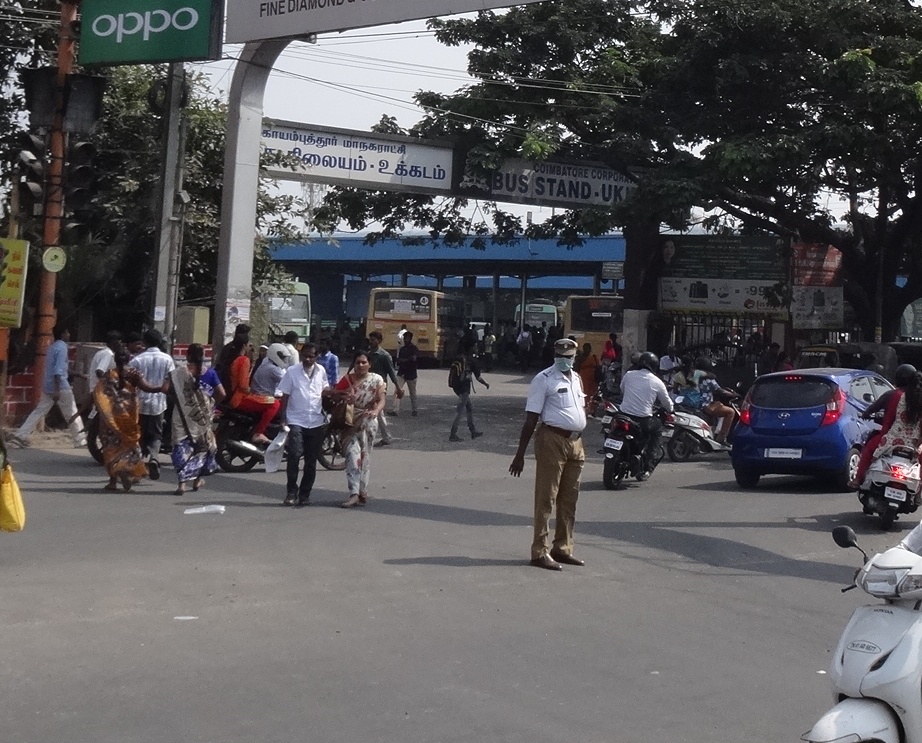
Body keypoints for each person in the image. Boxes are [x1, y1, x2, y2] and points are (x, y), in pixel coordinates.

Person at [509, 337, 587, 571]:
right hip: (551, 439)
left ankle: (562, 547)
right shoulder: (543, 380)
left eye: (568, 357)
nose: (564, 360)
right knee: (546, 498)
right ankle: (539, 551)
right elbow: (531, 418)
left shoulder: (576, 378)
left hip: (575, 441)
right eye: (560, 357)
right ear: (554, 356)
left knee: (569, 498)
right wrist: (520, 454)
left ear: (574, 357)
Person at [93, 348, 163, 491]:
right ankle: (128, 471)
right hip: (128, 418)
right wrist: (164, 388)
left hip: (110, 420)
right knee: (129, 445)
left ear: (115, 359)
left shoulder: (108, 375)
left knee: (111, 447)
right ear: (129, 359)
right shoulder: (134, 374)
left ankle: (113, 481)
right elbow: (148, 388)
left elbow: (97, 394)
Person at [10, 326, 87, 450]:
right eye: (67, 331)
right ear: (63, 334)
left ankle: (20, 436)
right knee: (72, 412)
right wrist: (57, 389)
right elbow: (58, 370)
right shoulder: (62, 347)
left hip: (48, 386)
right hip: (60, 386)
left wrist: (78, 374)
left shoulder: (52, 347)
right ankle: (80, 440)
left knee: (39, 411)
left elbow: (61, 368)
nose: (69, 334)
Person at [851, 364, 922, 489]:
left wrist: (865, 414)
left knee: (868, 449)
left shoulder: (894, 395)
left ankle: (857, 479)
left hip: (891, 440)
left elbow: (874, 410)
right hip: (914, 445)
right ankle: (918, 494)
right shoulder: (919, 398)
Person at [277, 343, 330, 507]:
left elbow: (325, 390)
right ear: (300, 356)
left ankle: (305, 494)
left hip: (315, 421)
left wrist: (336, 394)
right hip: (295, 420)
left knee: (311, 460)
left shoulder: (321, 371)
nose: (308, 359)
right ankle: (291, 492)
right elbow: (284, 396)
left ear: (316, 357)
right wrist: (282, 419)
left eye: (311, 356)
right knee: (294, 455)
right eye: (305, 356)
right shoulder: (292, 372)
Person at [167, 343, 223, 495]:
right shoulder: (210, 373)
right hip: (202, 418)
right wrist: (210, 405)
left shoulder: (179, 372)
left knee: (181, 448)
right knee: (202, 449)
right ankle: (197, 481)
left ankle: (182, 484)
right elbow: (222, 393)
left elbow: (165, 388)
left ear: (187, 356)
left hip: (181, 417)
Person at [334, 351, 386, 508]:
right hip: (349, 422)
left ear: (369, 364)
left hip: (368, 421)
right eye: (358, 362)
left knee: (364, 456)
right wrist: (344, 396)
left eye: (364, 362)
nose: (361, 365)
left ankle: (362, 490)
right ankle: (354, 493)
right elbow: (335, 396)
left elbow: (381, 399)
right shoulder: (347, 379)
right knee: (351, 455)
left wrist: (376, 412)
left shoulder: (376, 380)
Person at [126, 329, 175, 479]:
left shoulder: (137, 360)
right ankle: (154, 457)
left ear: (144, 342)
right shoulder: (167, 359)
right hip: (159, 404)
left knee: (138, 435)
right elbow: (171, 380)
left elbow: (130, 381)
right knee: (156, 434)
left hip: (139, 404)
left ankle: (139, 466)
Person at [619, 351, 674, 477]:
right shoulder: (657, 382)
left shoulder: (629, 374)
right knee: (658, 430)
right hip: (642, 420)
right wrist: (671, 410)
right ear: (655, 366)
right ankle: (648, 465)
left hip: (623, 415)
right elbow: (667, 404)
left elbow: (622, 389)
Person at [225, 334, 281, 447]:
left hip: (235, 397)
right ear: (244, 346)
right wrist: (251, 392)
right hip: (240, 398)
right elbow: (243, 385)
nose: (252, 349)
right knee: (275, 404)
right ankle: (259, 432)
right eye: (250, 346)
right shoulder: (244, 360)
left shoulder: (233, 359)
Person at [448, 341, 489, 442]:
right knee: (460, 410)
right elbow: (478, 377)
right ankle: (453, 433)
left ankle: (473, 431)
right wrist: (486, 384)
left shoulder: (459, 358)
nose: (476, 348)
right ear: (471, 348)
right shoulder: (472, 361)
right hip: (464, 388)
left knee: (469, 407)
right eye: (474, 346)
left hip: (456, 387)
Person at [366, 330, 402, 445]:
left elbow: (391, 373)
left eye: (373, 340)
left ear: (379, 341)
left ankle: (386, 437)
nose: (371, 342)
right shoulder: (368, 354)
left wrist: (398, 388)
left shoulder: (384, 356)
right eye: (370, 340)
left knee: (379, 412)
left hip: (380, 387)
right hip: (368, 386)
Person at [692, 357, 737, 444]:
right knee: (730, 412)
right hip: (705, 405)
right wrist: (733, 394)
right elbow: (719, 390)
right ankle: (721, 439)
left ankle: (713, 432)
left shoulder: (693, 375)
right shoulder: (708, 379)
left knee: (719, 404)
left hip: (695, 403)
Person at [394, 330, 419, 417]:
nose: (405, 339)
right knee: (397, 391)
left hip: (411, 373)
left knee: (412, 393)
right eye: (405, 338)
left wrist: (404, 360)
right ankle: (395, 410)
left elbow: (414, 359)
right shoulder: (402, 349)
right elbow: (398, 360)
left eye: (407, 338)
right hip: (402, 372)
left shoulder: (414, 349)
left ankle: (414, 409)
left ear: (410, 339)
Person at [576, 342, 600, 413]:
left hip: (592, 379)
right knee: (583, 392)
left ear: (590, 349)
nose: (586, 350)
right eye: (585, 348)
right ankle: (583, 407)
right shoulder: (579, 358)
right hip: (583, 378)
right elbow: (577, 368)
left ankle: (591, 409)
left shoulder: (594, 358)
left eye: (588, 348)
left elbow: (598, 367)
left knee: (592, 394)